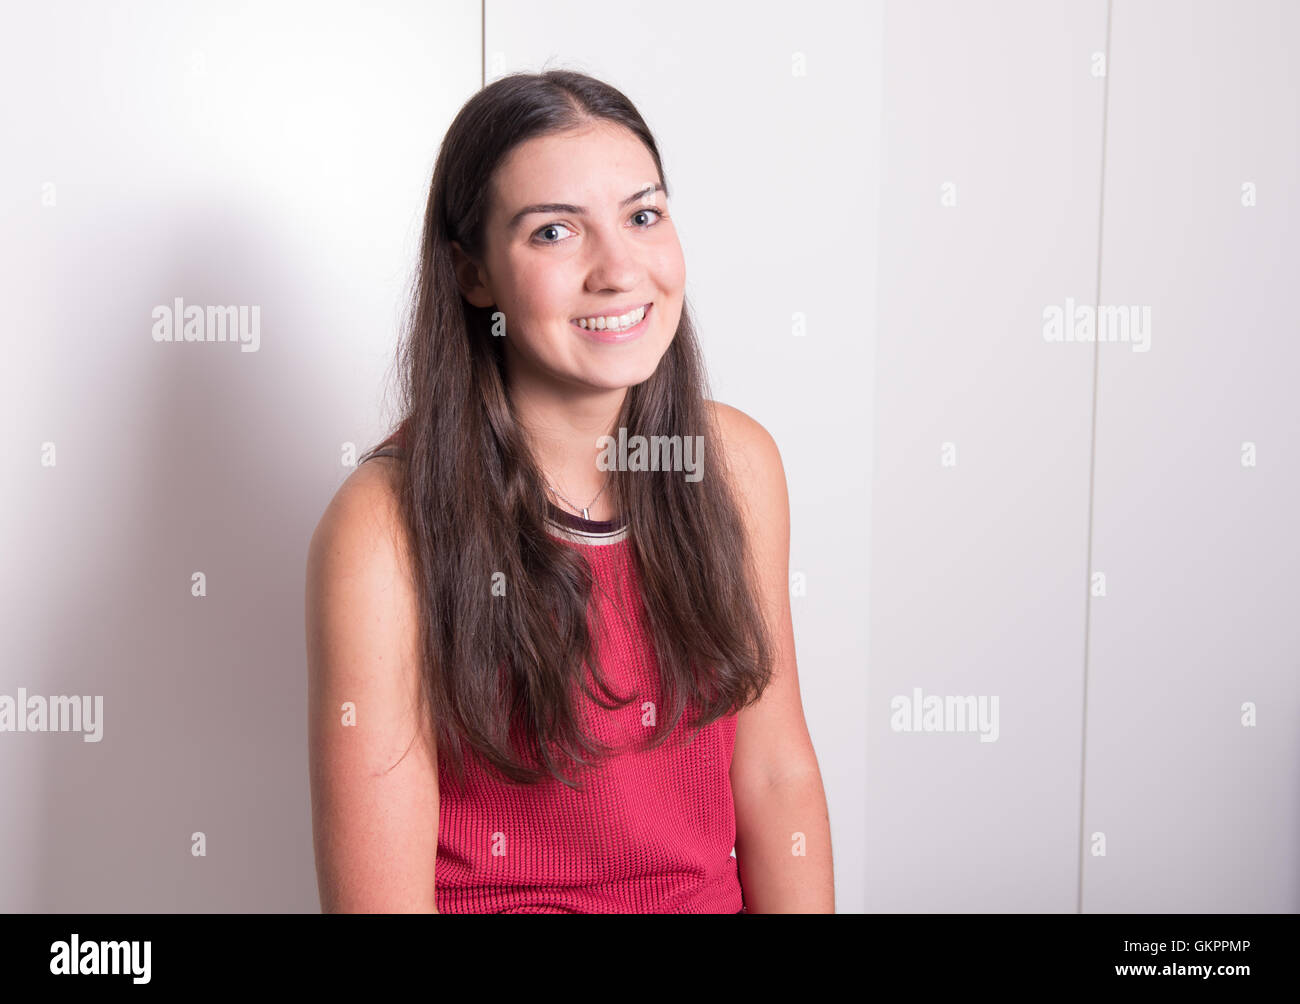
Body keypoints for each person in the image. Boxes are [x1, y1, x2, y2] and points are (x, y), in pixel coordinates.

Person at [305, 70, 833, 913]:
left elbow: (775, 774)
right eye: (555, 232)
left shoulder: (735, 464)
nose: (619, 270)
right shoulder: (382, 529)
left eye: (643, 215)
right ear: (474, 274)